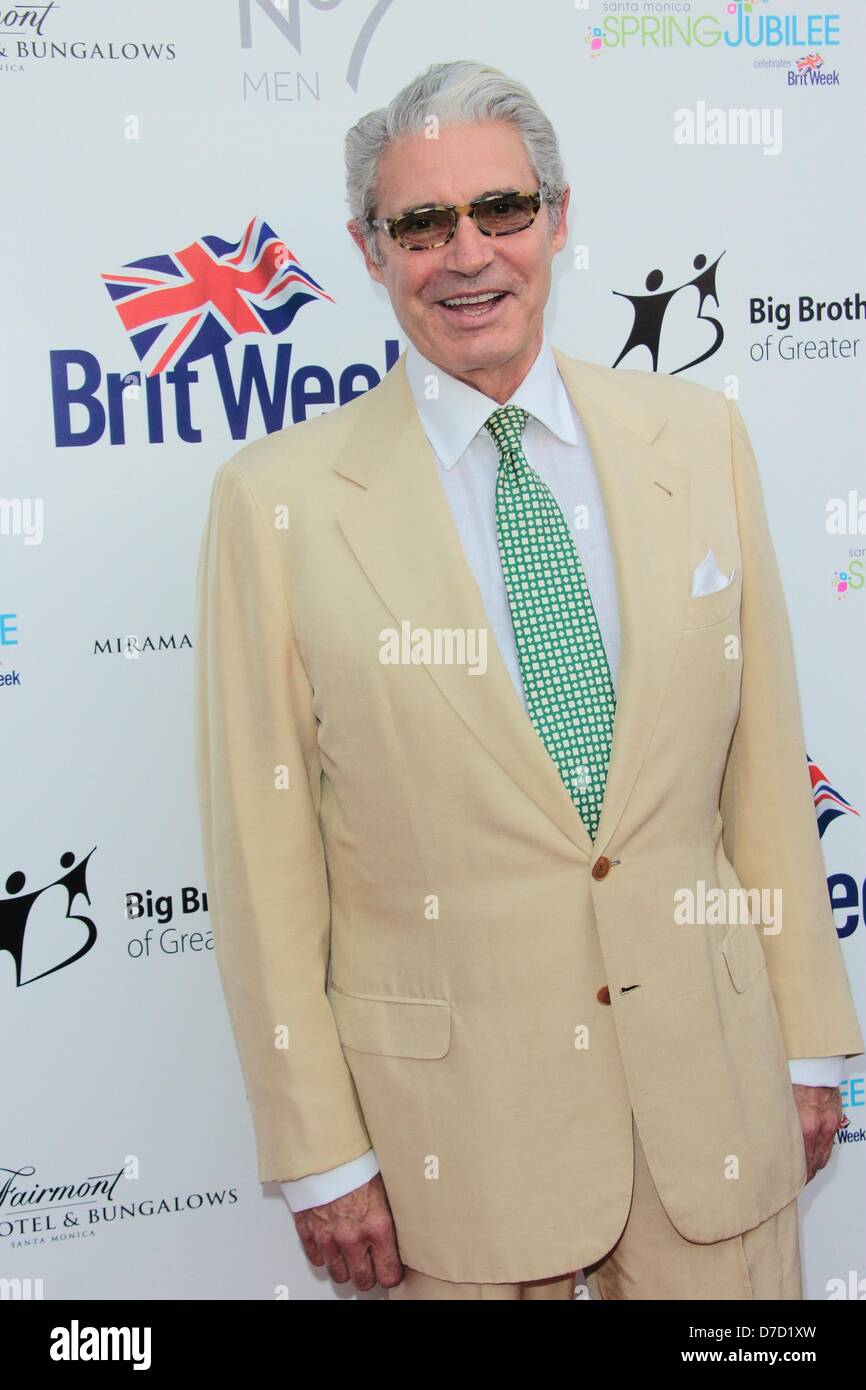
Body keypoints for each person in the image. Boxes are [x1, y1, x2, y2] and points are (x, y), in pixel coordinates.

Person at [193, 60, 863, 1301]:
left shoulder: (698, 440)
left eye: (499, 211)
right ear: (368, 248)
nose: (466, 255)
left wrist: (813, 1045)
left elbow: (765, 773)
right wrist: (319, 1156)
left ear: (556, 218)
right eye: (420, 224)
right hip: (450, 1163)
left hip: (712, 1125)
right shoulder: (273, 505)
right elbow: (263, 867)